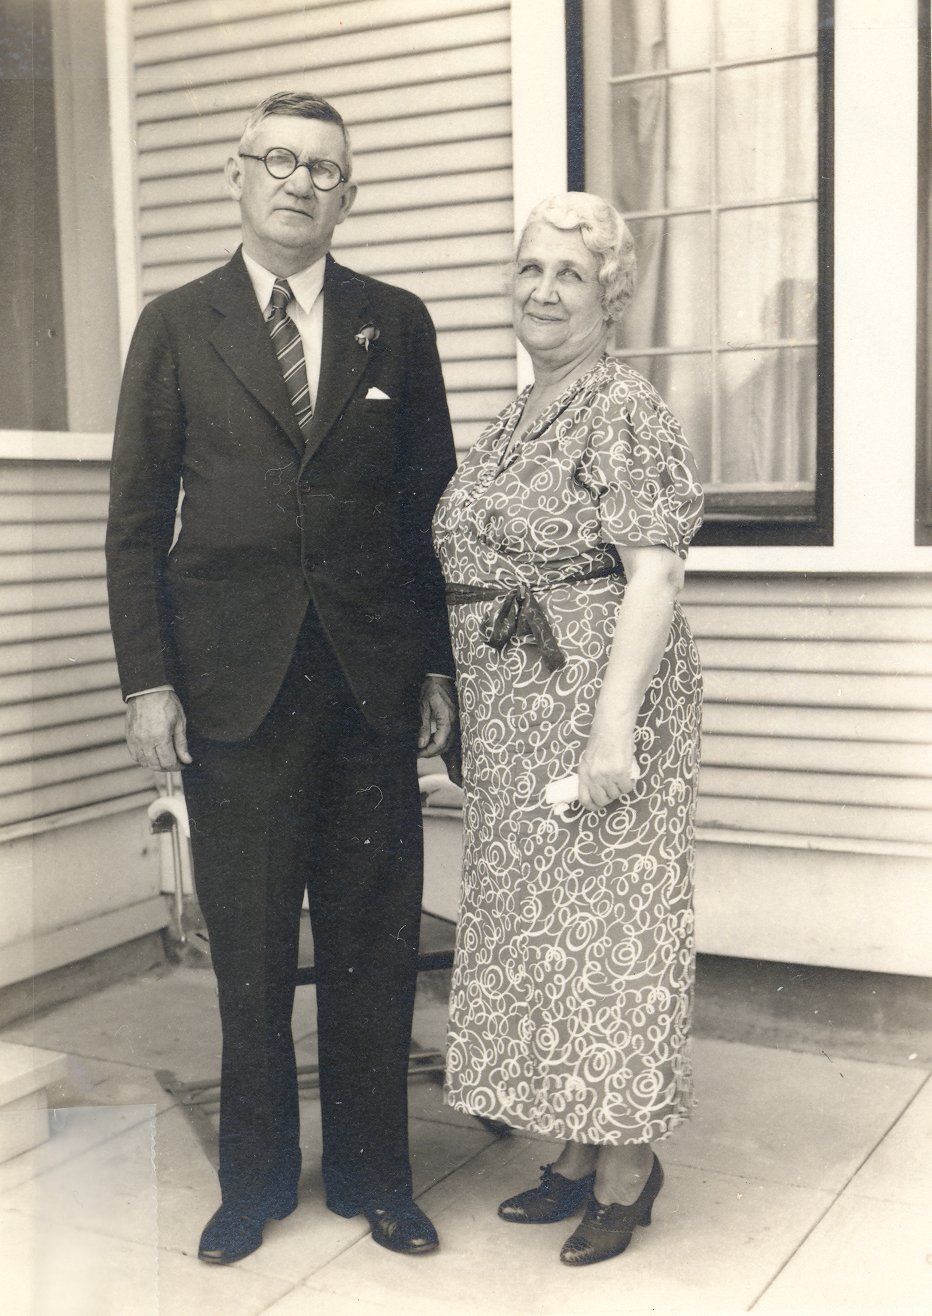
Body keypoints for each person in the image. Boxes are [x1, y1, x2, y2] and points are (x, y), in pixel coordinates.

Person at [105, 91, 458, 1265]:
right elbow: (135, 519)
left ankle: (375, 1174)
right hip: (233, 686)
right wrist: (148, 680)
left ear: (347, 194)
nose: (300, 182)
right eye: (278, 160)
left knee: (370, 938)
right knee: (250, 949)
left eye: (325, 169)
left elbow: (428, 514)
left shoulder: (393, 323)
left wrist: (437, 665)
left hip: (366, 685)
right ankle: (251, 1181)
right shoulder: (176, 323)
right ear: (235, 173)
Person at [432, 193, 703, 1267]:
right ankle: (580, 1151)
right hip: (515, 708)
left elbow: (654, 570)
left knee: (611, 933)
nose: (542, 290)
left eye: (569, 275)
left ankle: (628, 1163)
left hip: (599, 699)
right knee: (547, 939)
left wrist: (610, 732)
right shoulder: (519, 410)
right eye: (528, 268)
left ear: (609, 296)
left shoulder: (619, 404)